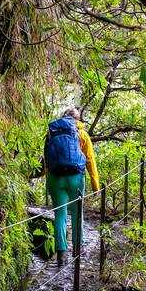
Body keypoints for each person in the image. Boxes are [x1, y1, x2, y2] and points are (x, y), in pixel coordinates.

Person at [41, 107, 100, 267]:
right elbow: (90, 160)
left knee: (60, 215)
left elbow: (46, 158)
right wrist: (96, 186)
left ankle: (61, 255)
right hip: (76, 179)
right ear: (78, 119)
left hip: (55, 178)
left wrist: (48, 176)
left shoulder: (51, 133)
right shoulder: (83, 134)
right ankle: (77, 250)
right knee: (76, 213)